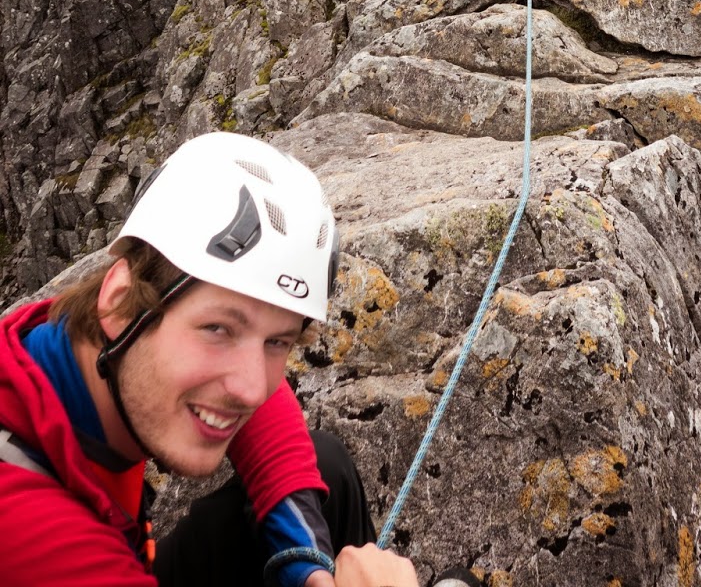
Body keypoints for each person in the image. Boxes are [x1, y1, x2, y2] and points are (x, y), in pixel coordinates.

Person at [0, 131, 449, 587]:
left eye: (277, 343)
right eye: (218, 330)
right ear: (119, 303)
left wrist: (308, 568)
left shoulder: (59, 355)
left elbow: (268, 416)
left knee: (323, 461)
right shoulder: (28, 534)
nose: (252, 387)